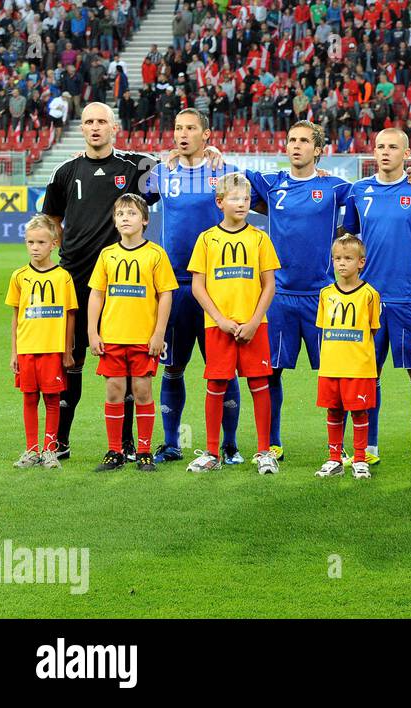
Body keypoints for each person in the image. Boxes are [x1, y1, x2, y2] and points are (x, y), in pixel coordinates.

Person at [41, 102, 162, 460]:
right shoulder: (66, 170)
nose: (95, 127)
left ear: (114, 127)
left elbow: (174, 172)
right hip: (76, 279)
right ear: (82, 128)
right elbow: (52, 219)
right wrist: (70, 248)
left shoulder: (134, 166)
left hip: (120, 282)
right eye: (89, 122)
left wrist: (206, 153)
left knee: (122, 361)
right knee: (70, 359)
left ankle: (124, 444)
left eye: (101, 122)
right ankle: (60, 442)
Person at [339, 128, 411, 471]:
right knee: (367, 375)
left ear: (407, 154)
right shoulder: (360, 191)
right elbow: (349, 236)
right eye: (380, 147)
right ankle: (368, 447)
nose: (385, 152)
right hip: (369, 299)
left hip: (409, 298)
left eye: (392, 147)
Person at [245, 120, 352, 463]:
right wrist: (211, 152)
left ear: (318, 150)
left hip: (322, 297)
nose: (296, 145)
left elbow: (374, 191)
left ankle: (337, 446)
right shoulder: (273, 184)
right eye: (292, 140)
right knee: (270, 370)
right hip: (279, 296)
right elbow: (230, 175)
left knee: (334, 372)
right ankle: (271, 442)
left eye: (304, 141)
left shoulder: (335, 187)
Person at [153, 108, 243, 466]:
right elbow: (126, 190)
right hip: (173, 288)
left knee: (223, 371)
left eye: (190, 128)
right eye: (177, 128)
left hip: (215, 288)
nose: (182, 134)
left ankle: (230, 446)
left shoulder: (224, 173)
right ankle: (171, 442)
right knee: (171, 367)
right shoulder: (161, 172)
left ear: (207, 135)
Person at [184, 173, 282, 475]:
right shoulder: (206, 239)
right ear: (220, 202)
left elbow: (269, 286)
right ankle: (212, 452)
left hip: (255, 326)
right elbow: (197, 287)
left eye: (245, 198)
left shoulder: (259, 239)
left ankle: (264, 452)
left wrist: (253, 321)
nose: (241, 203)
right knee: (216, 384)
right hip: (219, 327)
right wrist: (220, 320)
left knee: (259, 383)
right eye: (235, 198)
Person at [86, 194, 177, 473]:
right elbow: (97, 295)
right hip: (112, 336)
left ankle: (145, 451)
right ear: (114, 221)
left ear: (145, 220)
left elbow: (165, 295)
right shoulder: (107, 255)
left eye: (132, 213)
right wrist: (93, 331)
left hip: (143, 337)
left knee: (142, 391)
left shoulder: (155, 254)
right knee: (114, 392)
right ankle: (114, 451)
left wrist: (158, 332)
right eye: (120, 214)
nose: (125, 218)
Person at [8, 216, 78, 470]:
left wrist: (68, 349)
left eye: (40, 242)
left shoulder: (63, 277)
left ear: (54, 244)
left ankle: (50, 450)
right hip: (27, 349)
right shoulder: (19, 276)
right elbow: (16, 317)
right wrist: (14, 352)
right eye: (30, 242)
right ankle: (31, 450)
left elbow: (70, 314)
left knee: (51, 400)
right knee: (29, 399)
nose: (35, 247)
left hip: (52, 349)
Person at [314, 235, 381, 480]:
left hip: (359, 368)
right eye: (337, 258)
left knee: (360, 413)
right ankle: (334, 458)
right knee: (333, 410)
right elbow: (323, 330)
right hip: (331, 366)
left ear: (361, 262)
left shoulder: (370, 294)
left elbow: (372, 329)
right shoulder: (325, 294)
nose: (342, 263)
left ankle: (360, 459)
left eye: (348, 258)